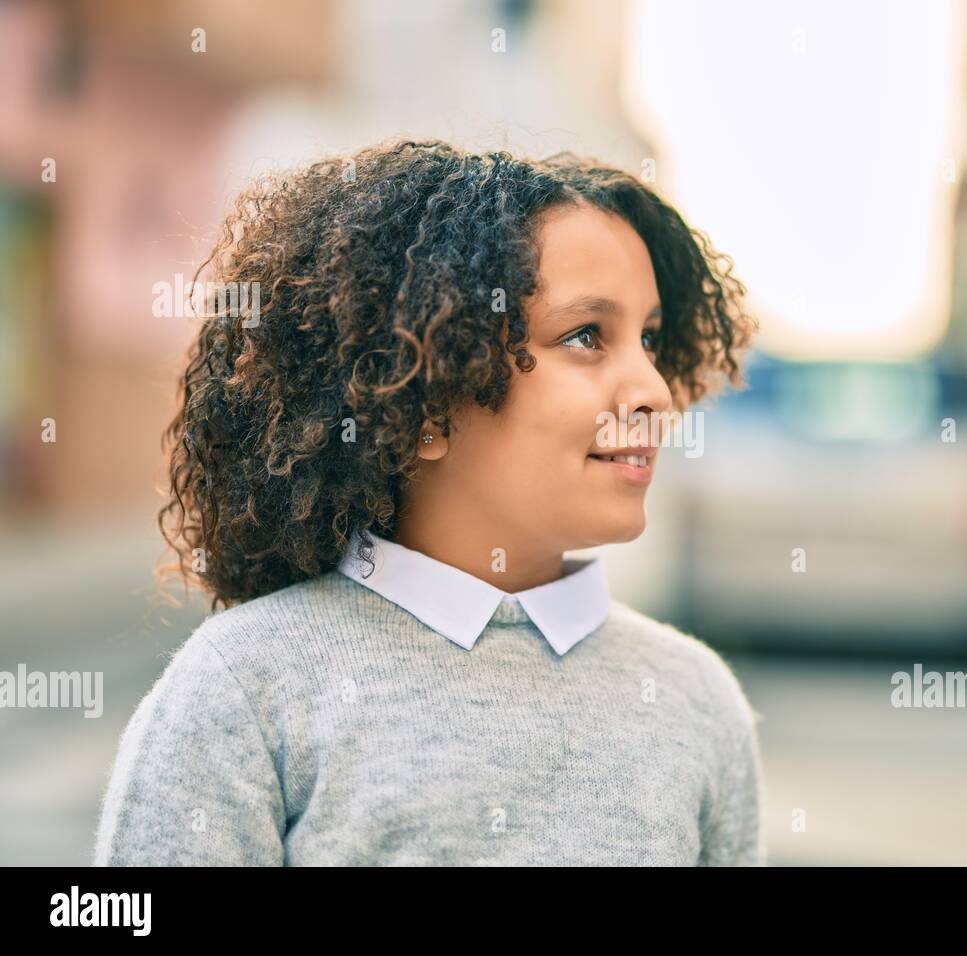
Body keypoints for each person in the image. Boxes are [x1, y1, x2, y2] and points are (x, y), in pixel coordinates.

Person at [92, 139, 765, 865]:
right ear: (426, 397)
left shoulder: (695, 701)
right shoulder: (247, 692)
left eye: (651, 340)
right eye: (585, 336)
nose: (655, 391)